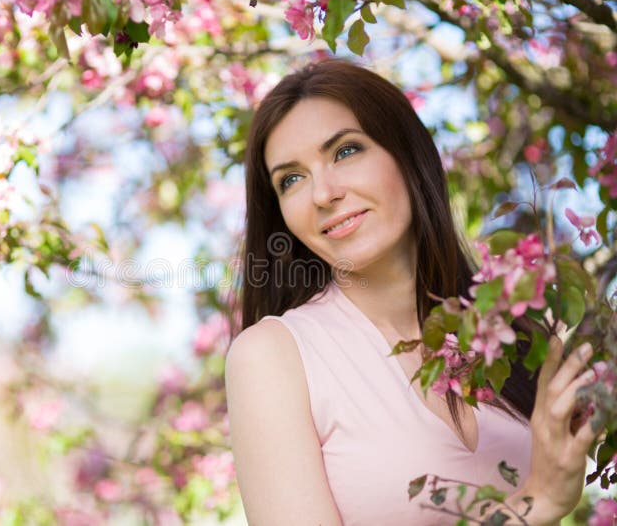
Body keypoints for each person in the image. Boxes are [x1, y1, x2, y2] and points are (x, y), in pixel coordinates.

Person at [224, 59, 601, 525]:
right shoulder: (274, 356)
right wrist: (535, 504)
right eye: (291, 179)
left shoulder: (509, 331)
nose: (322, 193)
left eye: (345, 151)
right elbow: (541, 500)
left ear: (408, 154)